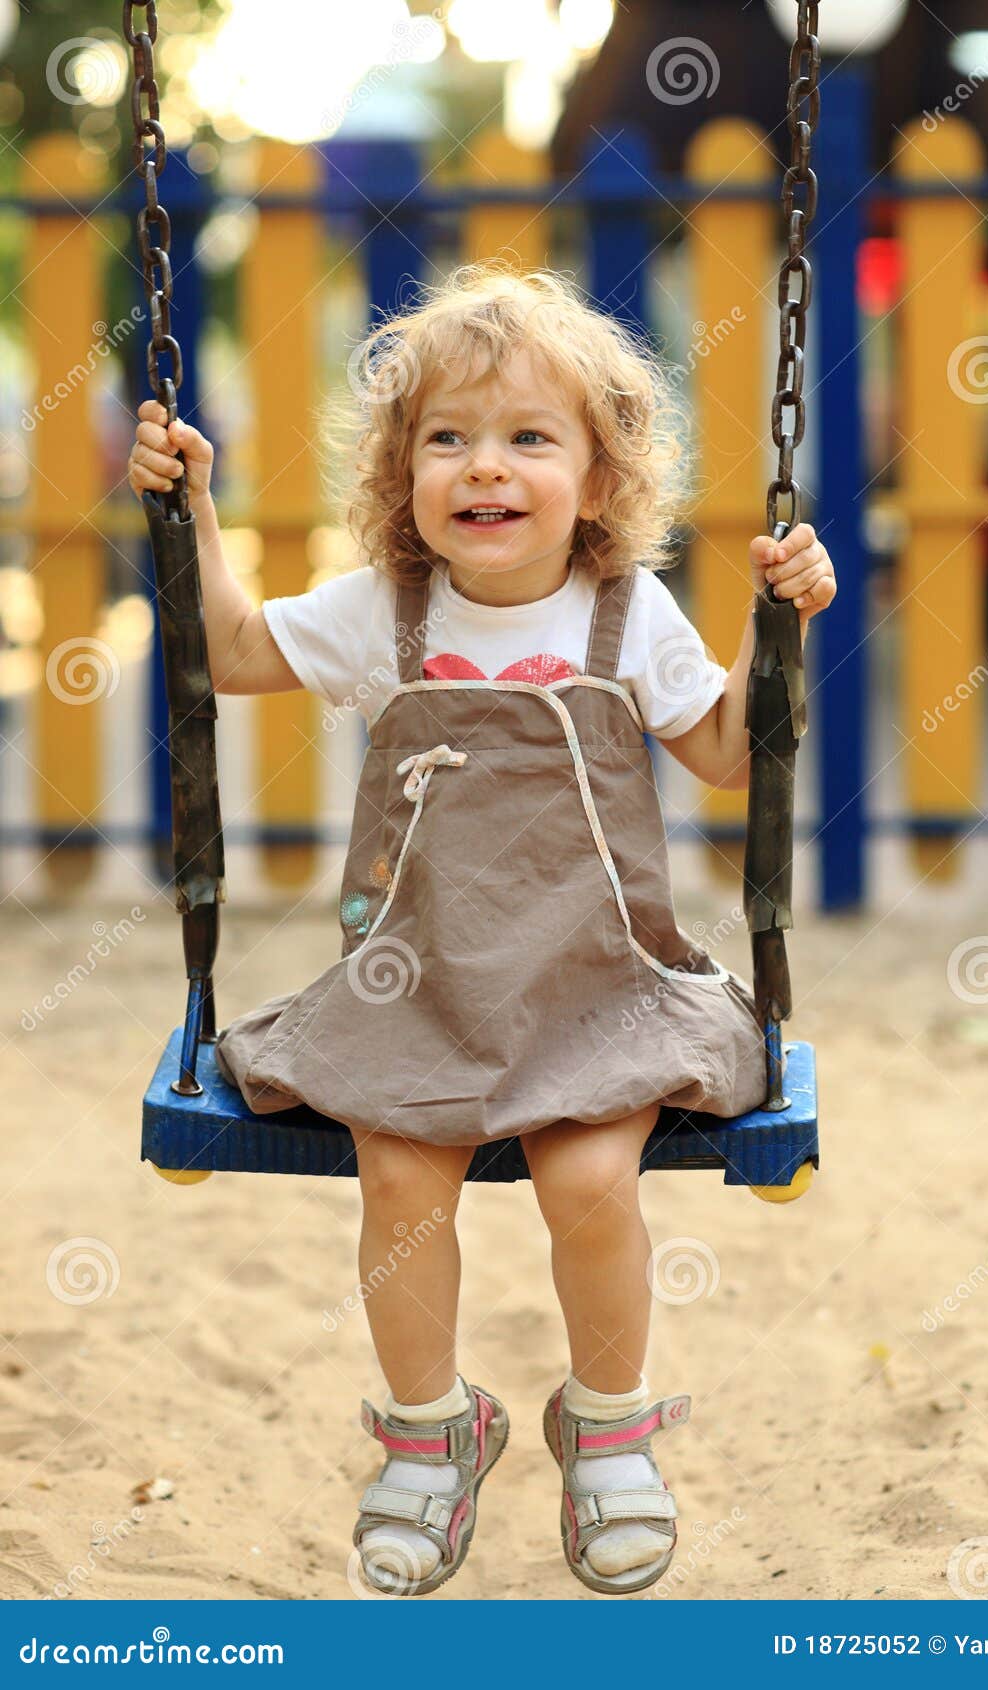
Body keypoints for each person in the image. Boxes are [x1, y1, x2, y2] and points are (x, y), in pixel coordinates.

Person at [127, 264, 837, 1598]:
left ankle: (610, 1425)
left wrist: (780, 627)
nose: (484, 467)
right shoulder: (380, 614)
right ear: (402, 475)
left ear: (601, 476)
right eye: (445, 438)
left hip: (598, 986)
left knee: (588, 1183)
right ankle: (429, 1430)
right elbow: (221, 649)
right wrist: (194, 509)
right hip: (419, 986)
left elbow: (738, 754)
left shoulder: (631, 617)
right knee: (401, 1181)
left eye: (528, 438)